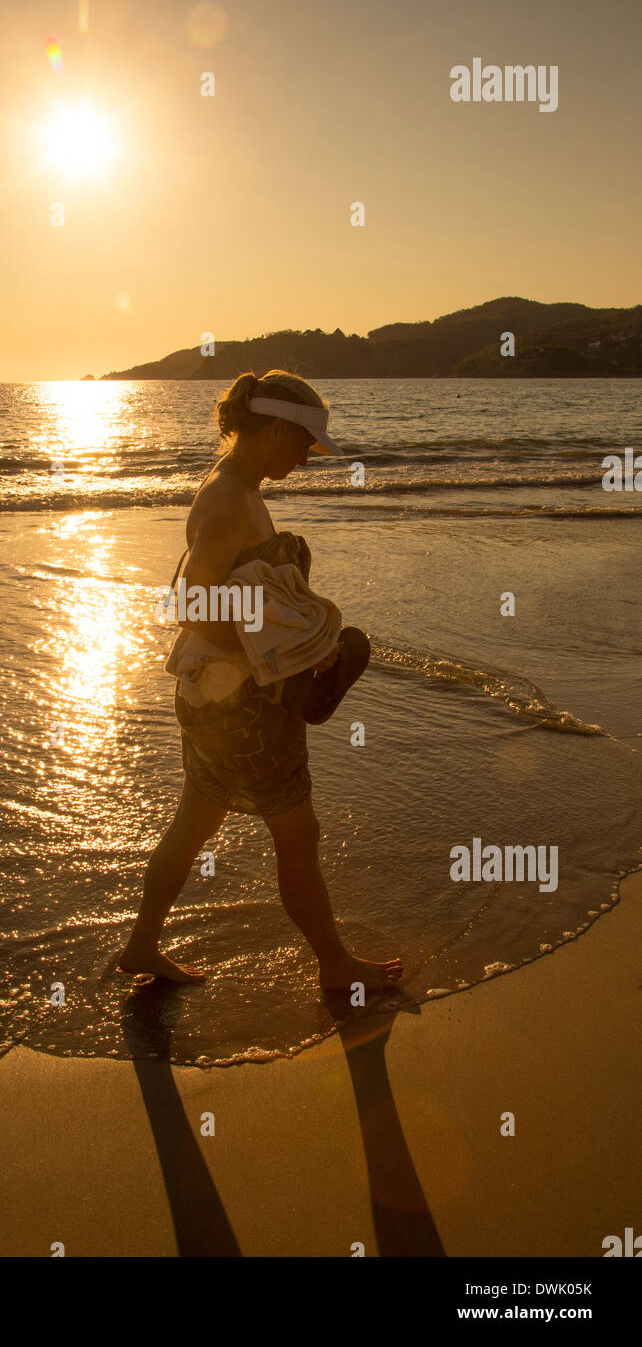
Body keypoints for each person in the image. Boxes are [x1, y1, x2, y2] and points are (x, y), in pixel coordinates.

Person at [119, 371, 403, 992]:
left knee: (193, 825)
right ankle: (335, 968)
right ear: (273, 428)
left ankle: (141, 944)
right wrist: (289, 660)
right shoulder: (227, 501)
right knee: (300, 837)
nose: (306, 459)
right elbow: (193, 606)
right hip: (241, 707)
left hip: (211, 696)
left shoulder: (239, 488)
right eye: (302, 444)